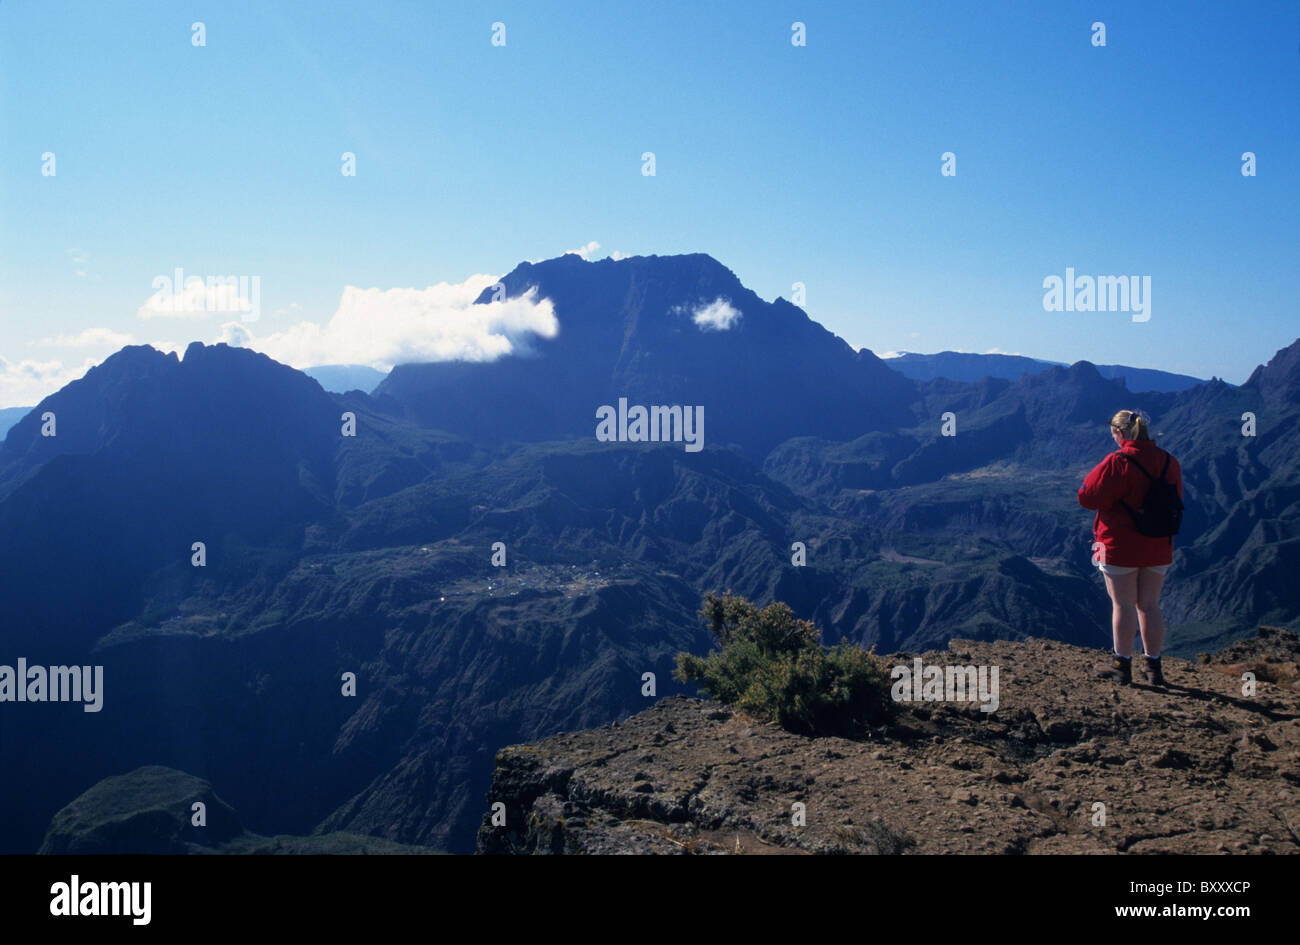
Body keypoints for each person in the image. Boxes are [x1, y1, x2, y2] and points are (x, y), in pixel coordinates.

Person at [1077, 409, 1183, 686]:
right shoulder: (1169, 462)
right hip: (1160, 544)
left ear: (1120, 433)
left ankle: (1122, 665)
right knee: (1149, 605)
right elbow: (1177, 499)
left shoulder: (1117, 461)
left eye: (1113, 433)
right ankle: (1154, 667)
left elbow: (1087, 497)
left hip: (1119, 544)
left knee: (1122, 604)